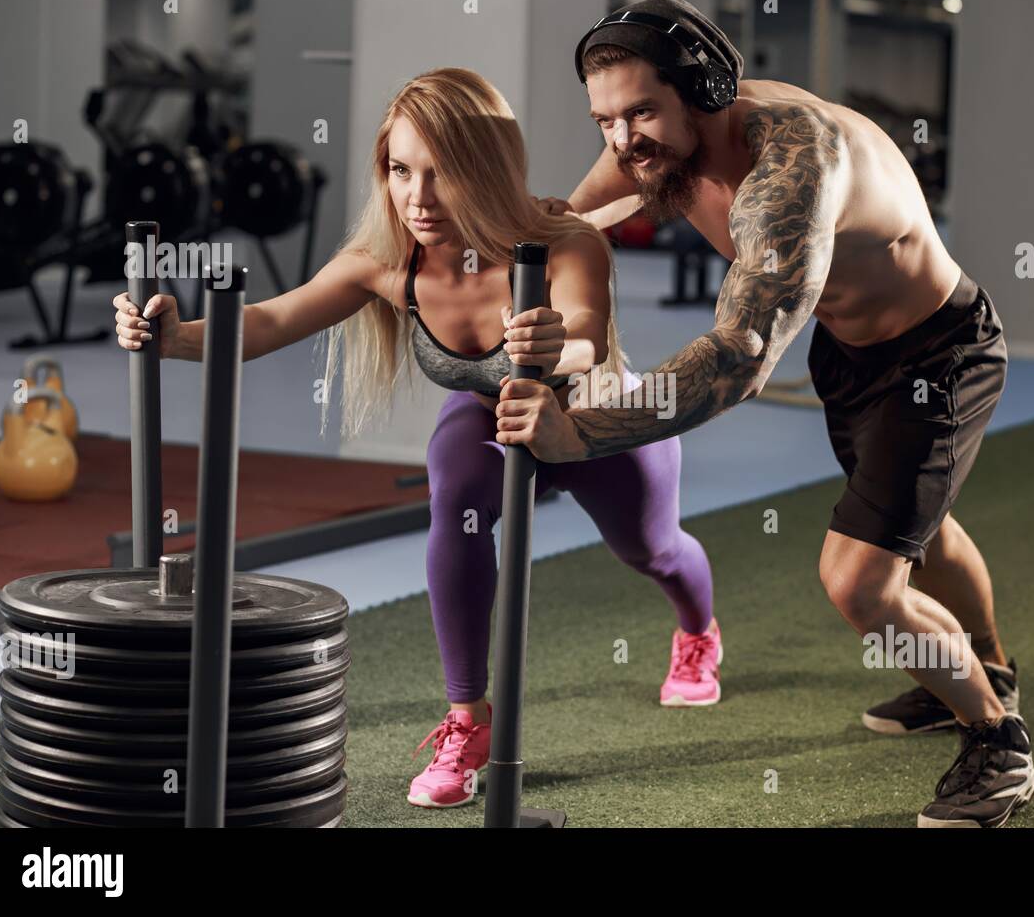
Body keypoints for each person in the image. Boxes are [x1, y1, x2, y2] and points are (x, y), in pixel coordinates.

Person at [112, 67, 721, 812]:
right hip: (493, 416)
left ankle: (698, 632)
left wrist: (556, 344)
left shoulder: (562, 240)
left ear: (486, 170)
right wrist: (174, 337)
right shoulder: (388, 265)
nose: (418, 197)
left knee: (652, 550)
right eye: (401, 170)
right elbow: (267, 322)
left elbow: (588, 338)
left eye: (443, 173)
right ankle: (469, 719)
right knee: (456, 487)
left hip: (596, 420)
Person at [510, 0, 1033, 828]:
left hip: (937, 355)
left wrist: (583, 433)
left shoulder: (791, 166)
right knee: (920, 533)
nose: (621, 138)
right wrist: (539, 230)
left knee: (859, 583)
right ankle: (990, 669)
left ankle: (998, 740)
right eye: (605, 118)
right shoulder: (660, 146)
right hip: (848, 354)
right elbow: (599, 197)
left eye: (642, 110)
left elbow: (737, 360)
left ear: (705, 91)